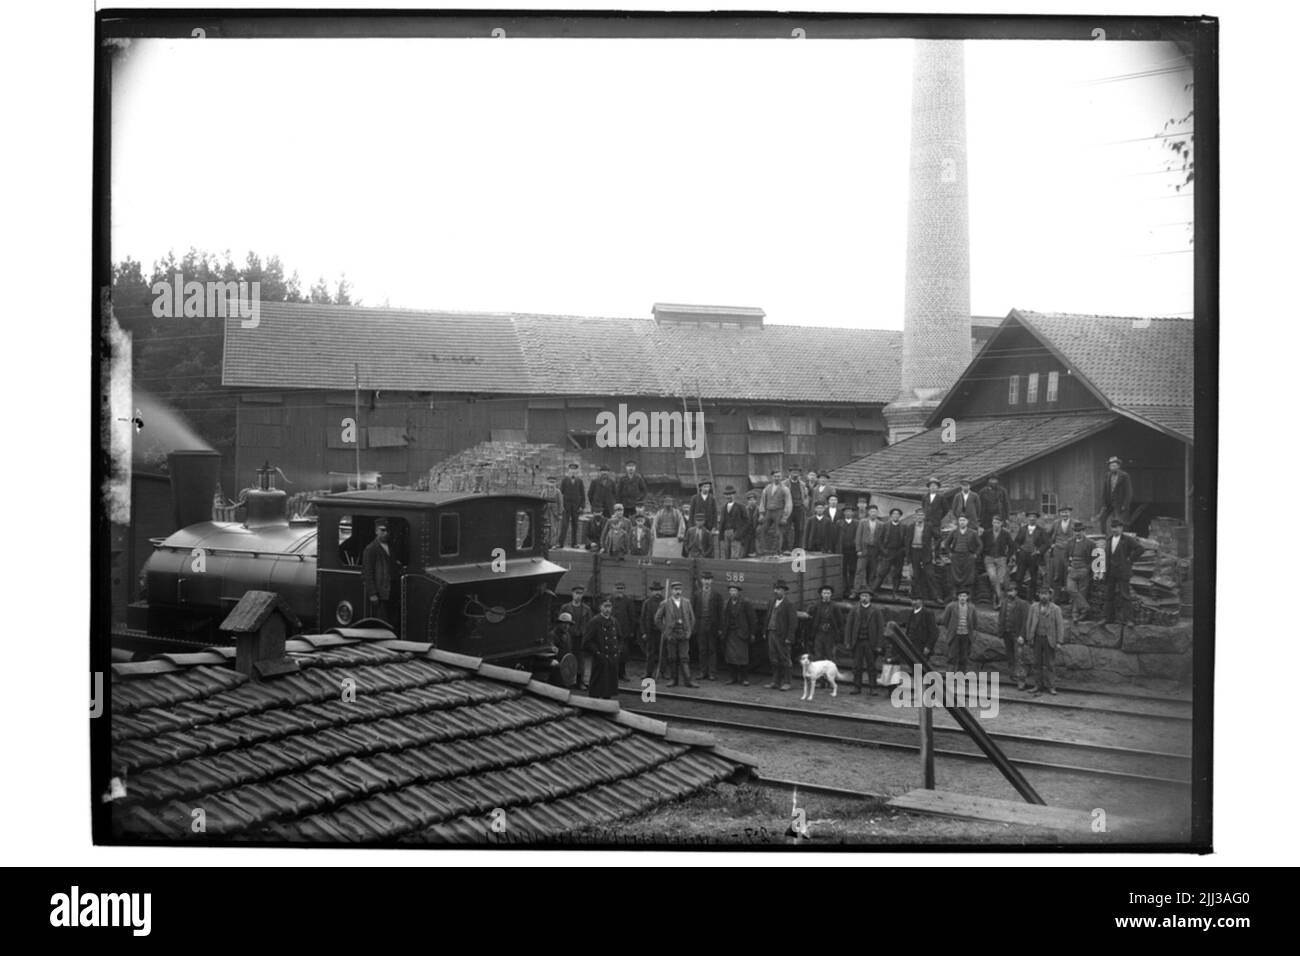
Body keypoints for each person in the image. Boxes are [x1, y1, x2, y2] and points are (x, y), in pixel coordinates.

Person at [655, 580, 697, 687]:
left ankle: (688, 681)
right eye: (675, 590)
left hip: (684, 635)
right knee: (672, 658)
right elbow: (657, 619)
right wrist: (665, 632)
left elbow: (692, 619)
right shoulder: (665, 604)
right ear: (671, 591)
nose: (677, 592)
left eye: (679, 589)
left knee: (684, 658)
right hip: (671, 635)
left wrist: (689, 632)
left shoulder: (687, 602)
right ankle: (674, 680)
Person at [1023, 586, 1065, 695]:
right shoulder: (1033, 607)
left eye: (1046, 594)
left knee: (1050, 664)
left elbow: (1060, 626)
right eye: (1042, 594)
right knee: (1036, 663)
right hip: (1037, 638)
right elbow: (1029, 622)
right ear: (1038, 595)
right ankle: (1038, 685)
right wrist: (1029, 637)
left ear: (1050, 595)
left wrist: (1059, 641)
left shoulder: (1055, 609)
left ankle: (1051, 686)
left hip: (1049, 639)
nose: (1044, 596)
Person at [1102, 519, 1144, 625]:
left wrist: (1130, 560)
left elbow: (1140, 549)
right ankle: (1107, 618)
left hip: (1123, 572)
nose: (1114, 530)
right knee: (1109, 595)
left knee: (1125, 595)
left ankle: (1128, 619)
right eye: (1113, 527)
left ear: (1121, 528)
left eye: (1117, 527)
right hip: (1110, 572)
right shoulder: (1109, 540)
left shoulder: (1127, 539)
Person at [361, 519, 401, 624]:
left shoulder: (391, 547)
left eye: (387, 531)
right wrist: (372, 593)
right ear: (376, 531)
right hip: (380, 592)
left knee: (394, 619)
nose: (386, 533)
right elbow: (367, 572)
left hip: (393, 589)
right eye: (382, 530)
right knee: (382, 620)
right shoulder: (370, 549)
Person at [844, 590, 883, 695]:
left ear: (870, 597)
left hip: (870, 643)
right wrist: (848, 641)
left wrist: (879, 644)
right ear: (860, 597)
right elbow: (849, 626)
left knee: (871, 666)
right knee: (857, 666)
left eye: (866, 596)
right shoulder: (854, 610)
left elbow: (880, 628)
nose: (864, 598)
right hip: (857, 642)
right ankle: (857, 687)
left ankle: (873, 688)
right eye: (862, 596)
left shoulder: (876, 611)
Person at [582, 598, 622, 699]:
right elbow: (587, 641)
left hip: (612, 658)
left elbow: (620, 637)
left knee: (609, 685)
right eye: (605, 606)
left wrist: (618, 650)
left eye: (609, 606)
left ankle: (606, 702)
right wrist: (598, 653)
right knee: (598, 683)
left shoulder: (614, 621)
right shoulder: (595, 621)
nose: (607, 609)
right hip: (601, 658)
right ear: (600, 607)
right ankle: (594, 704)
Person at [764, 580, 798, 691]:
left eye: (779, 589)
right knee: (773, 658)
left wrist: (789, 637)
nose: (776, 591)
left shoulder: (789, 604)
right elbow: (768, 617)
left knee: (785, 659)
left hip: (782, 636)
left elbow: (793, 623)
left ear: (784, 591)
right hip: (771, 633)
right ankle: (775, 681)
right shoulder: (771, 602)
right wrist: (765, 631)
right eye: (775, 589)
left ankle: (787, 682)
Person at [721, 584, 757, 685]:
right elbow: (724, 618)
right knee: (730, 657)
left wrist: (752, 633)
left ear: (738, 592)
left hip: (741, 633)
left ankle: (744, 678)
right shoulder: (727, 603)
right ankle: (733, 677)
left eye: (734, 591)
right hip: (730, 633)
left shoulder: (745, 603)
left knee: (743, 657)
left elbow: (752, 619)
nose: (732, 593)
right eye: (731, 591)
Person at [693, 571, 724, 680]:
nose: (707, 582)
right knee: (702, 649)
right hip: (701, 623)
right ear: (702, 580)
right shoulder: (697, 594)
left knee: (712, 649)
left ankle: (712, 673)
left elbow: (720, 613)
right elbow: (693, 611)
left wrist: (720, 628)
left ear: (712, 581)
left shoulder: (717, 595)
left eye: (709, 579)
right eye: (705, 579)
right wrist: (694, 626)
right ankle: (702, 672)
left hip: (712, 625)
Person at [997, 582, 1029, 687]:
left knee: (1019, 656)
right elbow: (1001, 616)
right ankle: (1012, 674)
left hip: (1017, 634)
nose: (1010, 593)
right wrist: (1000, 630)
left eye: (1012, 591)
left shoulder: (1023, 604)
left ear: (1016, 591)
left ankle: (1021, 680)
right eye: (1008, 591)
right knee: (1010, 655)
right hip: (1006, 632)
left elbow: (1025, 621)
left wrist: (1022, 635)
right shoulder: (1004, 602)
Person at [942, 515, 983, 596]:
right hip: (956, 556)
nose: (962, 522)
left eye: (964, 520)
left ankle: (967, 594)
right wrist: (950, 553)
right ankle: (955, 593)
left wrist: (975, 555)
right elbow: (946, 543)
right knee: (955, 574)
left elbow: (980, 545)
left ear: (967, 522)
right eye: (960, 520)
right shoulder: (954, 532)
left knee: (968, 575)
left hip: (968, 556)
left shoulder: (973, 533)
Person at [1013, 511, 1050, 600]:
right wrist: (1018, 549)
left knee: (1033, 578)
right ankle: (1018, 597)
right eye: (1030, 517)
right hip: (1023, 556)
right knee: (1019, 577)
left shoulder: (1041, 530)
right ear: (1027, 518)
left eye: (1034, 517)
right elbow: (1016, 541)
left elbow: (1047, 544)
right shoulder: (1022, 529)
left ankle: (1031, 598)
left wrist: (1039, 551)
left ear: (1036, 519)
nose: (1032, 518)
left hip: (1034, 556)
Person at [1063, 521, 1094, 623]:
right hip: (1072, 570)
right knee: (1071, 589)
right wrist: (1068, 566)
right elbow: (1064, 557)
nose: (1077, 533)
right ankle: (1086, 608)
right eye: (1075, 531)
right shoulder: (1070, 542)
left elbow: (1095, 558)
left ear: (1084, 531)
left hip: (1083, 570)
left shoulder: (1090, 544)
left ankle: (1076, 615)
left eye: (1079, 531)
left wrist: (1088, 568)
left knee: (1081, 593)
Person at [940, 590, 978, 672]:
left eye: (964, 596)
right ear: (958, 597)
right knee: (952, 656)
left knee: (964, 657)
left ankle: (961, 676)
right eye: (961, 596)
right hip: (955, 634)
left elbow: (974, 621)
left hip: (966, 635)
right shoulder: (951, 606)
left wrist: (971, 632)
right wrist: (951, 629)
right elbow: (945, 620)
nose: (962, 598)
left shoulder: (972, 607)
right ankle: (950, 674)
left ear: (967, 597)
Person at [873, 507, 907, 596]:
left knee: (897, 574)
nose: (896, 516)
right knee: (882, 573)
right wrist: (884, 551)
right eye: (894, 514)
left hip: (899, 553)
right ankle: (873, 591)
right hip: (888, 552)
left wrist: (903, 551)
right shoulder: (885, 526)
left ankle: (895, 593)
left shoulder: (903, 527)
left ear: (900, 516)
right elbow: (879, 540)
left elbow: (906, 541)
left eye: (897, 514)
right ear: (891, 516)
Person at [982, 514, 1014, 609]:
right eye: (994, 522)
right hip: (989, 558)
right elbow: (980, 544)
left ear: (1001, 524)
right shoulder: (986, 533)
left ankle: (996, 600)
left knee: (1000, 580)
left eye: (998, 523)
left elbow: (1012, 546)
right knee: (993, 577)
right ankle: (1000, 599)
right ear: (992, 523)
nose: (996, 524)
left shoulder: (1005, 534)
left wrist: (1007, 557)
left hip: (1001, 558)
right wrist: (983, 555)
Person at [758, 469, 791, 556]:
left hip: (779, 511)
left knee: (778, 532)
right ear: (772, 477)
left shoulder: (785, 489)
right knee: (762, 530)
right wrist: (761, 514)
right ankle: (762, 550)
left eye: (779, 476)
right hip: (769, 511)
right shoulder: (767, 488)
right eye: (775, 476)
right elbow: (763, 501)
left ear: (781, 477)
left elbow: (788, 503)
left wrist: (785, 517)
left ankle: (777, 551)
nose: (777, 478)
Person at [806, 584, 844, 661]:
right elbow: (811, 618)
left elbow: (840, 621)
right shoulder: (816, 605)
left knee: (830, 655)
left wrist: (839, 634)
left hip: (830, 634)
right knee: (818, 654)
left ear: (831, 594)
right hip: (819, 633)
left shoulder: (835, 606)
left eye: (828, 593)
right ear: (821, 594)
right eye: (824, 593)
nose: (826, 595)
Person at [905, 506, 935, 602]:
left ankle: (934, 596)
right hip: (914, 551)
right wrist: (908, 557)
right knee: (915, 575)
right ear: (915, 516)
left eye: (922, 515)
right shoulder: (910, 527)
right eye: (918, 515)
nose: (920, 517)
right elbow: (907, 543)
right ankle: (915, 595)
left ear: (924, 517)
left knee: (930, 574)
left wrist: (933, 548)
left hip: (925, 552)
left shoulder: (929, 526)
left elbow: (938, 537)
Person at [854, 504, 885, 595]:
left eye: (875, 512)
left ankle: (870, 591)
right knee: (860, 570)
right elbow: (858, 536)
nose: (873, 514)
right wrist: (858, 549)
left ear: (877, 513)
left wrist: (880, 552)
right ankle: (856, 590)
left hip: (875, 550)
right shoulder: (862, 522)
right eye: (871, 512)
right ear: (868, 512)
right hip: (864, 549)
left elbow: (882, 539)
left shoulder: (881, 524)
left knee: (873, 571)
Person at [1046, 506, 1075, 601]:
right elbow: (1048, 535)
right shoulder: (1056, 523)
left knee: (1068, 573)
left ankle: (1068, 597)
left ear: (1070, 513)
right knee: (1057, 574)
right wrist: (1052, 544)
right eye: (1062, 512)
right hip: (1057, 551)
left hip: (1070, 551)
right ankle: (1056, 597)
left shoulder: (1075, 523)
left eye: (1066, 512)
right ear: (1059, 514)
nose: (1064, 514)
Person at [610, 582, 637, 681]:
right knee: (611, 653)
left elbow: (632, 617)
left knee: (623, 654)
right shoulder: (610, 600)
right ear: (614, 589)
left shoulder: (628, 601)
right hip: (611, 632)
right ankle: (612, 674)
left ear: (624, 590)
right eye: (618, 588)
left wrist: (631, 631)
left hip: (624, 633)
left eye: (621, 588)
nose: (619, 590)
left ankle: (622, 673)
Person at [1100, 456, 1133, 530]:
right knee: (1102, 518)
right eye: (1111, 466)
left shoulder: (1124, 476)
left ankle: (1121, 536)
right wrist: (1104, 504)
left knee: (1119, 521)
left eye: (1114, 466)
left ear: (1118, 466)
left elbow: (1128, 492)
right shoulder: (1107, 475)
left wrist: (1125, 504)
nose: (1113, 467)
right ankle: (1104, 536)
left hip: (1119, 503)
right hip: (1109, 502)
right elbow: (1104, 491)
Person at [641, 581, 666, 680]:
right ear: (652, 592)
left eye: (659, 590)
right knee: (650, 653)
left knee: (663, 653)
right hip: (651, 631)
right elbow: (642, 618)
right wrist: (643, 632)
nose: (657, 593)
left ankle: (663, 672)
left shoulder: (665, 602)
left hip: (662, 632)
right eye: (655, 591)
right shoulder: (647, 603)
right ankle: (648, 673)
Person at [717, 485, 750, 559]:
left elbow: (746, 522)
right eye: (727, 495)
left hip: (735, 533)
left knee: (735, 556)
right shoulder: (723, 508)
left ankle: (735, 571)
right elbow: (722, 522)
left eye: (730, 494)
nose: (729, 496)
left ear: (734, 495)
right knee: (726, 555)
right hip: (725, 533)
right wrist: (721, 535)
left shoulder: (740, 507)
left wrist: (739, 533)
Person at [558, 463, 586, 548]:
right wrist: (561, 506)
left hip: (576, 507)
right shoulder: (564, 480)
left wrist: (582, 506)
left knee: (575, 525)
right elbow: (560, 494)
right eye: (571, 470)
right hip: (566, 507)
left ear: (577, 471)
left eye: (574, 470)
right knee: (564, 525)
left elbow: (583, 494)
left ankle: (574, 543)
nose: (573, 471)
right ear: (569, 471)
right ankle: (560, 543)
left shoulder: (580, 481)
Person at [834, 504, 859, 598]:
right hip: (842, 550)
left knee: (853, 569)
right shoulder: (839, 523)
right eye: (846, 512)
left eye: (850, 511)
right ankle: (844, 588)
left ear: (853, 513)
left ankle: (852, 588)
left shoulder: (857, 523)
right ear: (844, 513)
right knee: (843, 570)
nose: (848, 513)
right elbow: (835, 537)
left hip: (853, 551)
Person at [905, 594, 939, 659]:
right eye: (912, 600)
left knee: (918, 666)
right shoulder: (911, 612)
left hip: (922, 646)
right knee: (912, 664)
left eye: (916, 600)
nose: (914, 602)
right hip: (911, 645)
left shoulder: (928, 613)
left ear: (921, 601)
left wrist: (928, 646)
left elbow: (934, 632)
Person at [783, 464, 808, 554]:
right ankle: (785, 548)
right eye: (793, 472)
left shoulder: (802, 484)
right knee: (786, 529)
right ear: (790, 473)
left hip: (799, 508)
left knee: (799, 529)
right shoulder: (785, 484)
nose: (795, 474)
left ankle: (796, 548)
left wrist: (804, 504)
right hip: (789, 508)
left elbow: (805, 495)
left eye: (797, 472)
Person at [540, 475, 564, 548]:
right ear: (547, 483)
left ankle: (553, 543)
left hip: (555, 513)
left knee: (554, 529)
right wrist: (541, 512)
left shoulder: (558, 492)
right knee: (546, 528)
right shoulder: (544, 491)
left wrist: (560, 513)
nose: (551, 484)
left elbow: (560, 503)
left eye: (553, 482)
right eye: (550, 482)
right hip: (546, 512)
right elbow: (540, 501)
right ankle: (546, 543)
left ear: (555, 483)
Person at [743, 490, 761, 557]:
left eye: (753, 500)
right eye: (750, 500)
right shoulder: (745, 509)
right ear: (747, 501)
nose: (752, 502)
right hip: (747, 531)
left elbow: (761, 520)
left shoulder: (759, 509)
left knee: (756, 545)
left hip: (756, 529)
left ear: (756, 501)